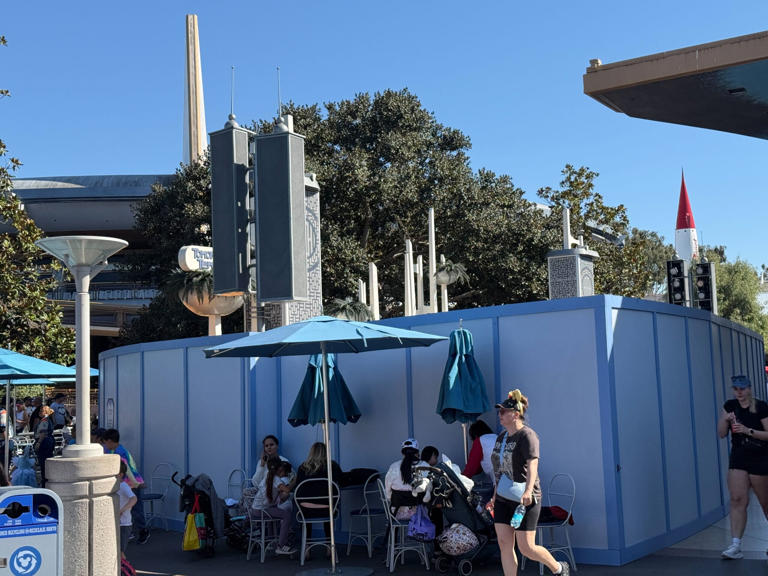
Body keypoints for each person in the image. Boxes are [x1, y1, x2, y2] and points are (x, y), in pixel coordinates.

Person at [489, 389, 569, 576]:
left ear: (515, 414)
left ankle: (558, 568)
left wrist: (527, 491)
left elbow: (533, 465)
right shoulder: (501, 438)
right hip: (502, 496)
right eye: (499, 411)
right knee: (504, 544)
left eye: (503, 412)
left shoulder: (527, 436)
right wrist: (494, 495)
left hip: (525, 498)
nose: (499, 415)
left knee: (526, 547)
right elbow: (499, 470)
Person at [718, 374, 768, 559]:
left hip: (760, 456)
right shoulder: (730, 406)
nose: (739, 392)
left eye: (742, 388)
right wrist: (726, 420)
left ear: (749, 388)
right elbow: (721, 434)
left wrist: (748, 431)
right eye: (736, 389)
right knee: (737, 499)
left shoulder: (760, 406)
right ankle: (735, 545)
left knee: (765, 502)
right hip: (739, 457)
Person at [103, 429, 150, 545]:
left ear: (110, 441)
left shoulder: (119, 453)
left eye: (105, 442)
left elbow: (128, 470)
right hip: (128, 483)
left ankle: (143, 531)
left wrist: (137, 483)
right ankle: (130, 531)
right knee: (129, 508)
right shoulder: (116, 450)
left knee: (135, 509)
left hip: (132, 483)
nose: (105, 445)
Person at [294, 442, 343, 542]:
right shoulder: (332, 466)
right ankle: (330, 546)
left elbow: (297, 488)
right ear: (326, 452)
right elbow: (342, 482)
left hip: (306, 509)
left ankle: (307, 546)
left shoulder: (302, 467)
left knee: (305, 514)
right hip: (327, 509)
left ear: (311, 452)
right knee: (329, 507)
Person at [251, 457, 296, 556]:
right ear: (279, 468)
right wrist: (294, 481)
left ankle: (276, 541)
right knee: (287, 515)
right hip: (262, 511)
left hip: (256, 510)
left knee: (278, 511)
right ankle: (281, 545)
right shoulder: (276, 480)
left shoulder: (269, 476)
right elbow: (287, 490)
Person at [384, 438, 428, 520]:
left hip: (396, 514)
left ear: (403, 453)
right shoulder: (424, 465)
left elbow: (388, 493)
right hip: (419, 514)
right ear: (418, 452)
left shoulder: (394, 466)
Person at [463, 419, 497, 484]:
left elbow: (472, 467)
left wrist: (461, 478)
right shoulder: (497, 437)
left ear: (475, 435)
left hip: (498, 480)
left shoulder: (480, 441)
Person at [117, 460, 138, 562]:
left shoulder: (123, 486)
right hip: (118, 523)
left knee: (120, 552)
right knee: (117, 551)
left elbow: (134, 498)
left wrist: (122, 510)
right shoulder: (115, 486)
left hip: (124, 524)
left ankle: (125, 570)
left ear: (120, 474)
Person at [34, 406, 55, 487]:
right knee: (46, 463)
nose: (40, 412)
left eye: (41, 411)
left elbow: (43, 433)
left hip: (44, 443)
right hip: (48, 442)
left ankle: (45, 483)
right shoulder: (47, 420)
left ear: (46, 412)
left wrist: (38, 443)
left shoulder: (44, 421)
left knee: (43, 463)